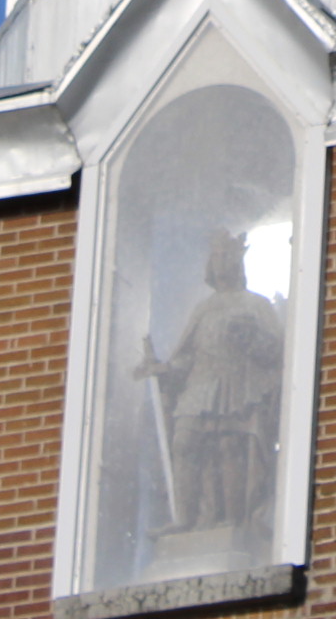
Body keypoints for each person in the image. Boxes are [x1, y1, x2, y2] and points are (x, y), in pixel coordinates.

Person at [138, 227, 285, 536]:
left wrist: (250, 337)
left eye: (226, 256)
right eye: (216, 256)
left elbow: (275, 352)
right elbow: (187, 356)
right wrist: (165, 370)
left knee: (230, 447)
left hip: (238, 383)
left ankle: (233, 522)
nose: (220, 262)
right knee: (184, 443)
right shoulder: (203, 308)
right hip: (201, 384)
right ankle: (186, 518)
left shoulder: (256, 304)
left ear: (237, 263)